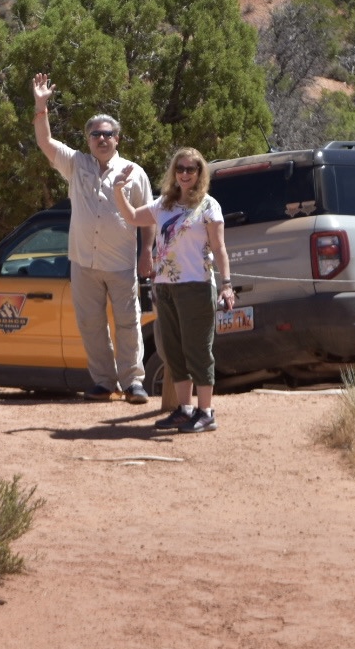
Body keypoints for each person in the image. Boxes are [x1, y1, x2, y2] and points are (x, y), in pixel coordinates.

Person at [31, 72, 154, 403]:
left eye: (107, 134)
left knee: (128, 324)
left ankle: (133, 383)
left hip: (120, 262)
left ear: (118, 138)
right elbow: (45, 142)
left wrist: (148, 253)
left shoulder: (134, 172)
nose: (101, 139)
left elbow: (148, 216)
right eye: (95, 134)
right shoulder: (75, 164)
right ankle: (104, 381)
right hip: (83, 261)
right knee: (91, 324)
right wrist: (41, 106)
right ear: (87, 140)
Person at [113, 148, 234, 432]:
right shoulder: (164, 205)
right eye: (180, 168)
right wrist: (119, 188)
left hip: (197, 284)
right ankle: (184, 409)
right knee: (173, 350)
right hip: (165, 286)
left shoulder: (208, 206)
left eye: (191, 169)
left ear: (200, 173)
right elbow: (131, 217)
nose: (185, 174)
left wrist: (227, 284)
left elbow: (219, 248)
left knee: (198, 350)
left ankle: (206, 412)